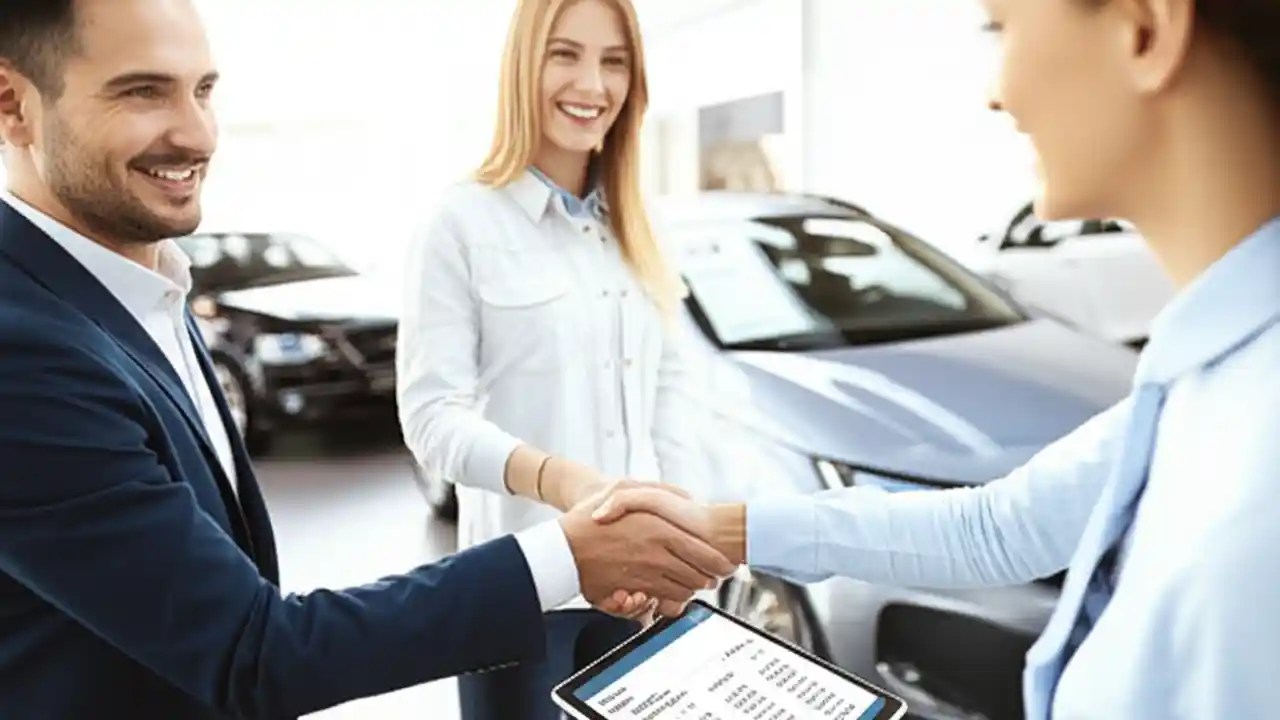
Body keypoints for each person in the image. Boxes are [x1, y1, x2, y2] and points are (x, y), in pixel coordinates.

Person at [0, 1, 735, 718]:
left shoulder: (147, 286)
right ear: (13, 104)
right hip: (540, 580)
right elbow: (256, 653)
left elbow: (672, 395)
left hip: (633, 575)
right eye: (142, 91)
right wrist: (572, 542)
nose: (198, 134)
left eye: (205, 90)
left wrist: (675, 535)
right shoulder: (24, 351)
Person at [593, 0, 1280, 717]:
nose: (996, 92)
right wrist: (721, 530)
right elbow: (1001, 527)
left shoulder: (1256, 485)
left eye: (1001, 28)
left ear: (1145, 30)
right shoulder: (1203, 377)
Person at [395, 0, 713, 717]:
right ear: (523, 66)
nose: (592, 84)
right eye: (565, 54)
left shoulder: (641, 224)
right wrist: (561, 480)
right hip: (519, 592)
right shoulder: (460, 222)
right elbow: (431, 417)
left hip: (640, 590)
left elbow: (674, 391)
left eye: (614, 61)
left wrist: (684, 542)